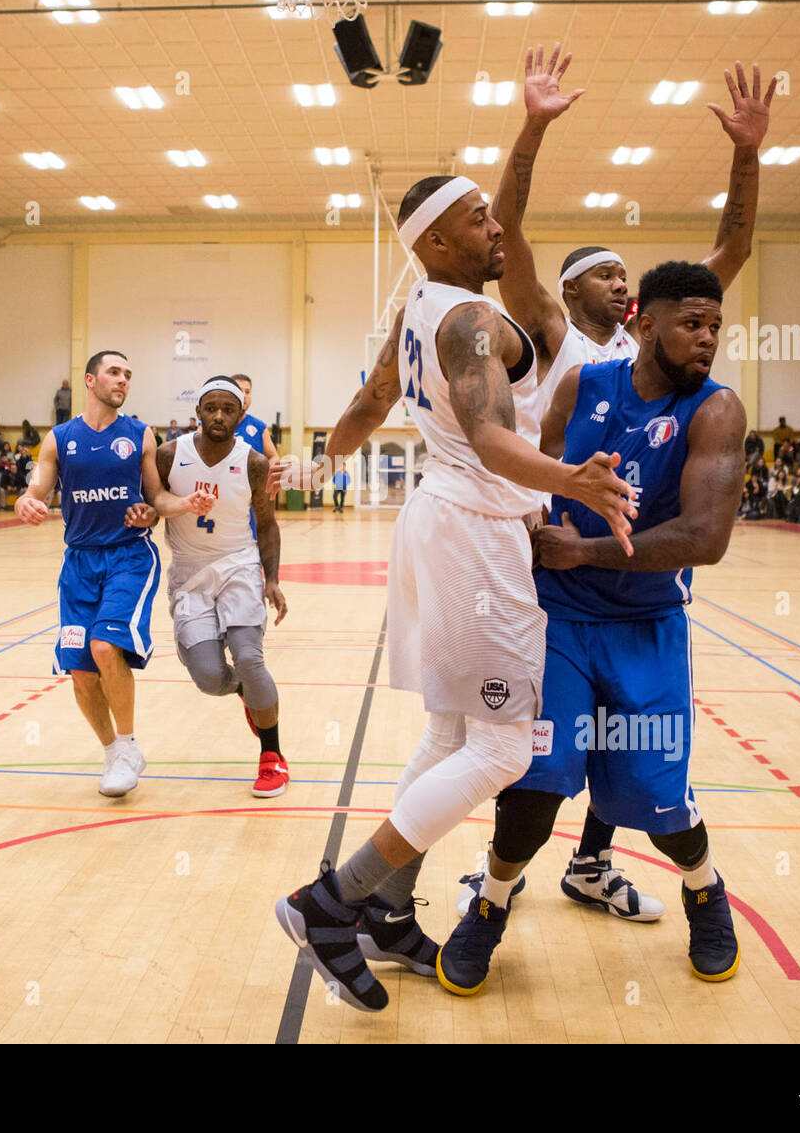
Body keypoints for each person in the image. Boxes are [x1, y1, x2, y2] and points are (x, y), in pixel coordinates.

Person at [273, 172, 639, 1012]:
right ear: (439, 243)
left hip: (440, 519)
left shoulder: (417, 310)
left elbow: (370, 402)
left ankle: (390, 913)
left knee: (449, 732)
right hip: (474, 528)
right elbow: (488, 438)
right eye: (480, 220)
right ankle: (331, 903)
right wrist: (573, 481)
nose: (497, 228)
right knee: (504, 746)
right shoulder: (471, 318)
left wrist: (322, 463)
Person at [448, 46, 771, 928]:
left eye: (628, 272)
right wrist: (534, 129)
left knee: (632, 758)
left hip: (638, 591)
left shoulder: (675, 352)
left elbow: (730, 249)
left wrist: (746, 151)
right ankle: (523, 880)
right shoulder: (560, 345)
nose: (622, 279)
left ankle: (596, 864)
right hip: (560, 591)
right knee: (549, 761)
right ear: (574, 291)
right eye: (605, 270)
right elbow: (508, 232)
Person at [437, 260, 748, 994]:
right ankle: (491, 900)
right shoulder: (580, 386)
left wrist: (588, 548)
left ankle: (703, 886)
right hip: (562, 617)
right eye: (691, 324)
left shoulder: (717, 409)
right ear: (645, 326)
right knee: (535, 778)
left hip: (646, 625)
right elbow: (533, 473)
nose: (706, 339)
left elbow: (707, 536)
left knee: (652, 796)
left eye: (715, 326)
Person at [16, 350, 201, 798]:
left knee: (104, 645)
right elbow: (36, 487)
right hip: (78, 563)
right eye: (115, 372)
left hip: (127, 556)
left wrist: (184, 505)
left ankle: (130, 744)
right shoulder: (59, 439)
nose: (123, 380)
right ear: (90, 380)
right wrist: (26, 501)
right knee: (80, 671)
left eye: (128, 375)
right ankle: (114, 752)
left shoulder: (140, 435)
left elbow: (154, 498)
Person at [157, 376, 290, 797]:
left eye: (227, 409)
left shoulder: (253, 462)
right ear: (198, 412)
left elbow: (267, 525)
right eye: (210, 407)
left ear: (241, 415)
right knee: (210, 678)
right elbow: (150, 502)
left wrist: (272, 579)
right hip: (189, 572)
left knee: (251, 658)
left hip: (239, 566)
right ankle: (248, 696)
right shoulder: (166, 456)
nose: (218, 415)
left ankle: (273, 757)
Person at [228, 374, 280, 460]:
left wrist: (267, 472)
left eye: (247, 392)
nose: (244, 396)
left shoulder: (259, 426)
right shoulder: (215, 423)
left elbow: (273, 457)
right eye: (239, 391)